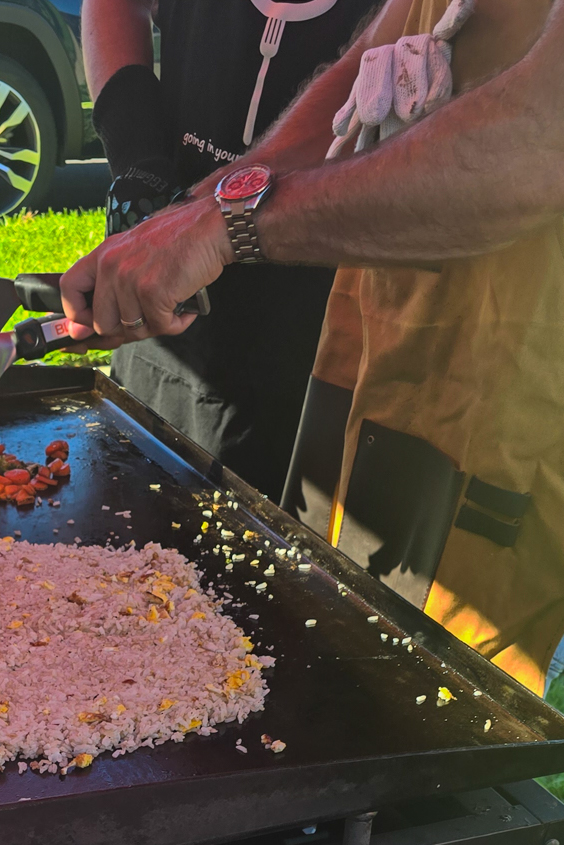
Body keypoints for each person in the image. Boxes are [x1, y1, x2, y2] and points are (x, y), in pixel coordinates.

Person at [63, 0, 564, 694]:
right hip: (387, 389)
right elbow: (382, 52)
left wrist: (230, 227)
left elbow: (559, 138)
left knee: (405, 784)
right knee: (287, 710)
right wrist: (195, 215)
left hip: (539, 431)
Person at [83, 0, 374, 499]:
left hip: (326, 345)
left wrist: (214, 217)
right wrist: (139, 156)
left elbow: (363, 77)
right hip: (166, 334)